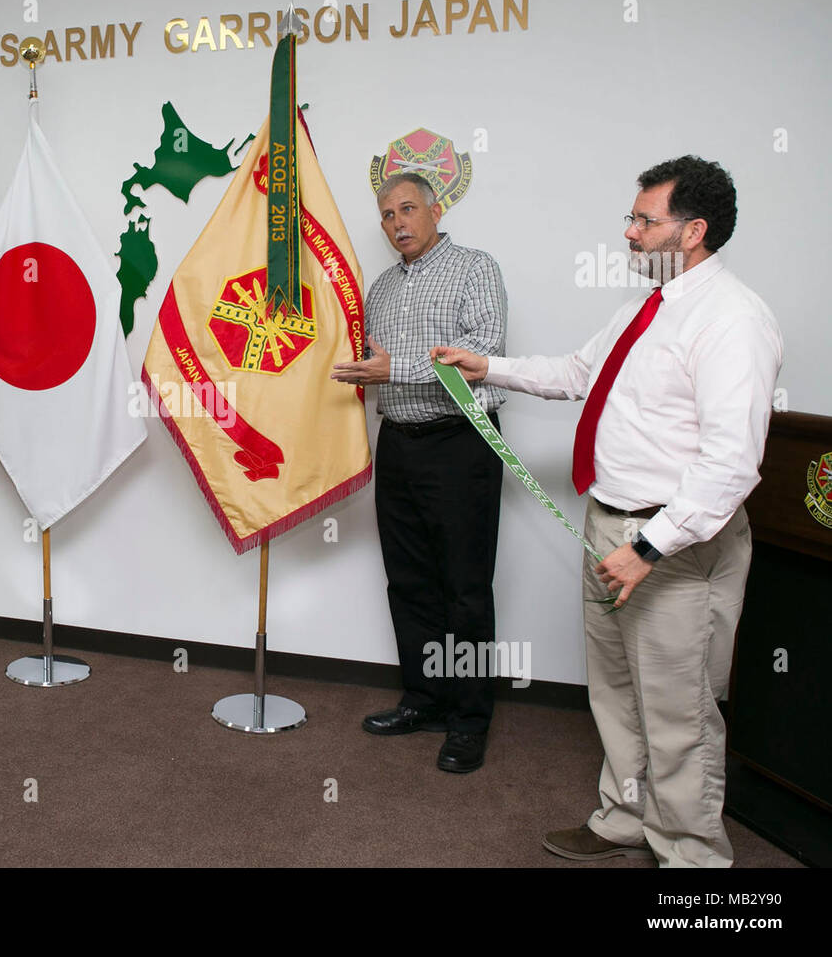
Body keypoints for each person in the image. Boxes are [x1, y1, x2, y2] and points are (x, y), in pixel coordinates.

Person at [434, 155, 783, 866]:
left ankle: (692, 859)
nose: (628, 233)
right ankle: (625, 818)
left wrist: (648, 548)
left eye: (643, 220)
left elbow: (730, 465)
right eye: (631, 217)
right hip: (609, 527)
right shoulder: (644, 309)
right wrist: (487, 366)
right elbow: (576, 374)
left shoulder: (734, 321)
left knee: (680, 714)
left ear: (693, 231)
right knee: (618, 694)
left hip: (674, 549)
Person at [332, 172, 507, 773]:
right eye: (386, 215)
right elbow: (371, 366)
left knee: (464, 586)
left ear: (435, 210)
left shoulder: (475, 269)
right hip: (401, 446)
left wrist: (393, 371)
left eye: (408, 209)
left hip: (461, 445)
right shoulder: (379, 289)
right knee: (408, 581)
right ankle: (426, 698)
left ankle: (469, 719)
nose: (397, 223)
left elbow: (481, 359)